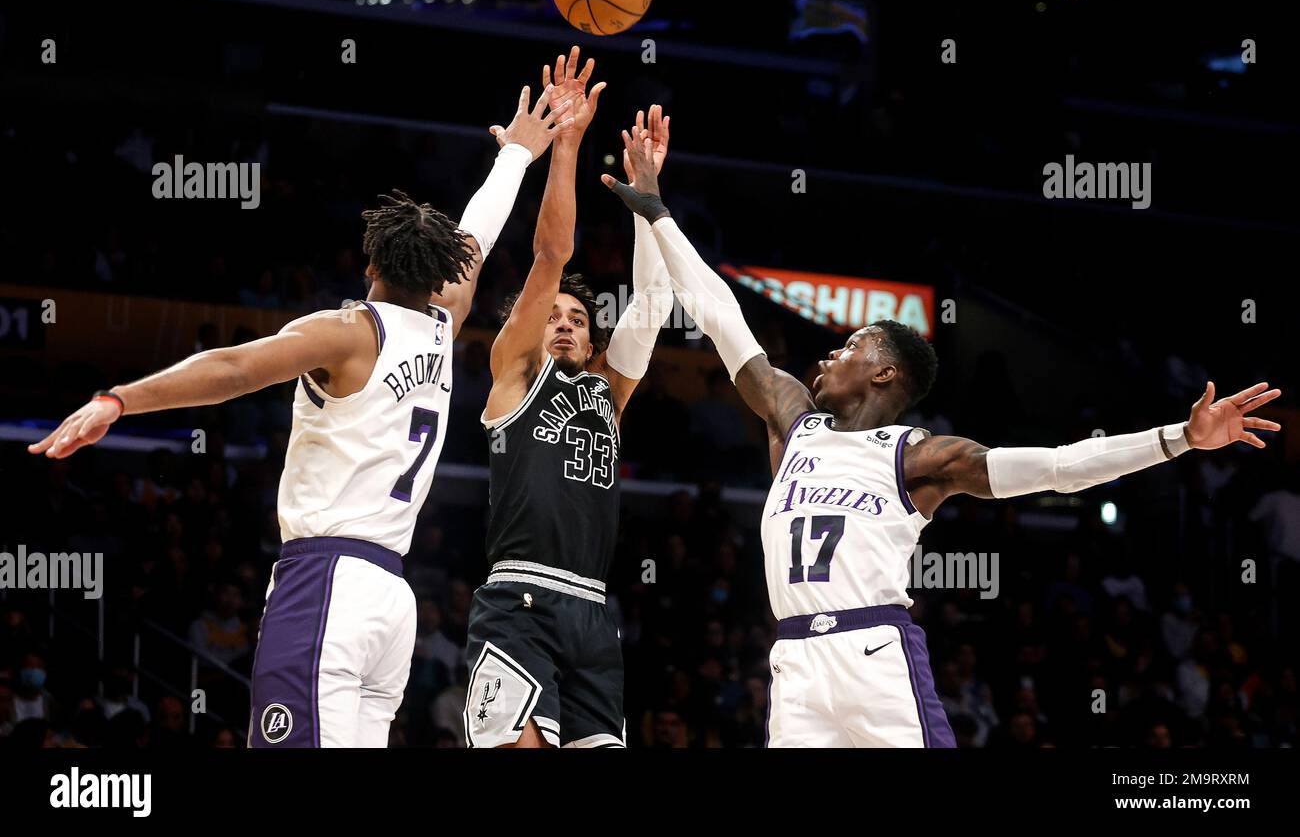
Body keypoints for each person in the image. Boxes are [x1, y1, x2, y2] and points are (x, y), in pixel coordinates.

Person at [602, 119, 1283, 747]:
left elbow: (1059, 467)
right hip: (795, 661)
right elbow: (721, 316)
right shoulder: (793, 420)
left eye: (847, 348)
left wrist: (1179, 438)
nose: (825, 357)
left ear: (884, 373)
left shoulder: (918, 457)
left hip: (875, 655)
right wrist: (657, 206)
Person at [28, 66, 574, 747]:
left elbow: (231, 368)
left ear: (370, 261)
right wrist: (519, 152)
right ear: (437, 275)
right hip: (392, 597)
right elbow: (478, 238)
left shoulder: (348, 332)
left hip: (326, 584)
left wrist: (118, 399)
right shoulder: (444, 322)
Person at [463, 63, 676, 748]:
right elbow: (551, 253)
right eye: (552, 316)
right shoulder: (515, 374)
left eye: (578, 319)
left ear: (592, 338)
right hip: (517, 601)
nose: (563, 323)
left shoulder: (607, 395)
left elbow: (653, 304)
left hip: (591, 610)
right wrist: (568, 144)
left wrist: (648, 200)